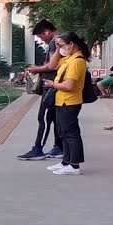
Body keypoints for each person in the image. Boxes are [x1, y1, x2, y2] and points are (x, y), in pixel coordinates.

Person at [17, 20, 64, 161]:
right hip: (56, 84)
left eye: (41, 36)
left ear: (47, 31)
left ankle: (38, 149)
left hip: (51, 85)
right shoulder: (62, 40)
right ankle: (58, 147)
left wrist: (36, 69)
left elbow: (53, 66)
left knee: (44, 117)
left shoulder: (54, 42)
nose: (41, 40)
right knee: (55, 118)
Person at [44, 32, 90, 176]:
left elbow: (69, 85)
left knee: (71, 134)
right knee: (63, 133)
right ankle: (66, 161)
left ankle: (74, 165)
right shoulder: (69, 58)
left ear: (71, 44)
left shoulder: (77, 61)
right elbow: (52, 65)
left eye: (62, 45)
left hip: (69, 102)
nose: (60, 48)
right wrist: (58, 49)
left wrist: (53, 84)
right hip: (62, 101)